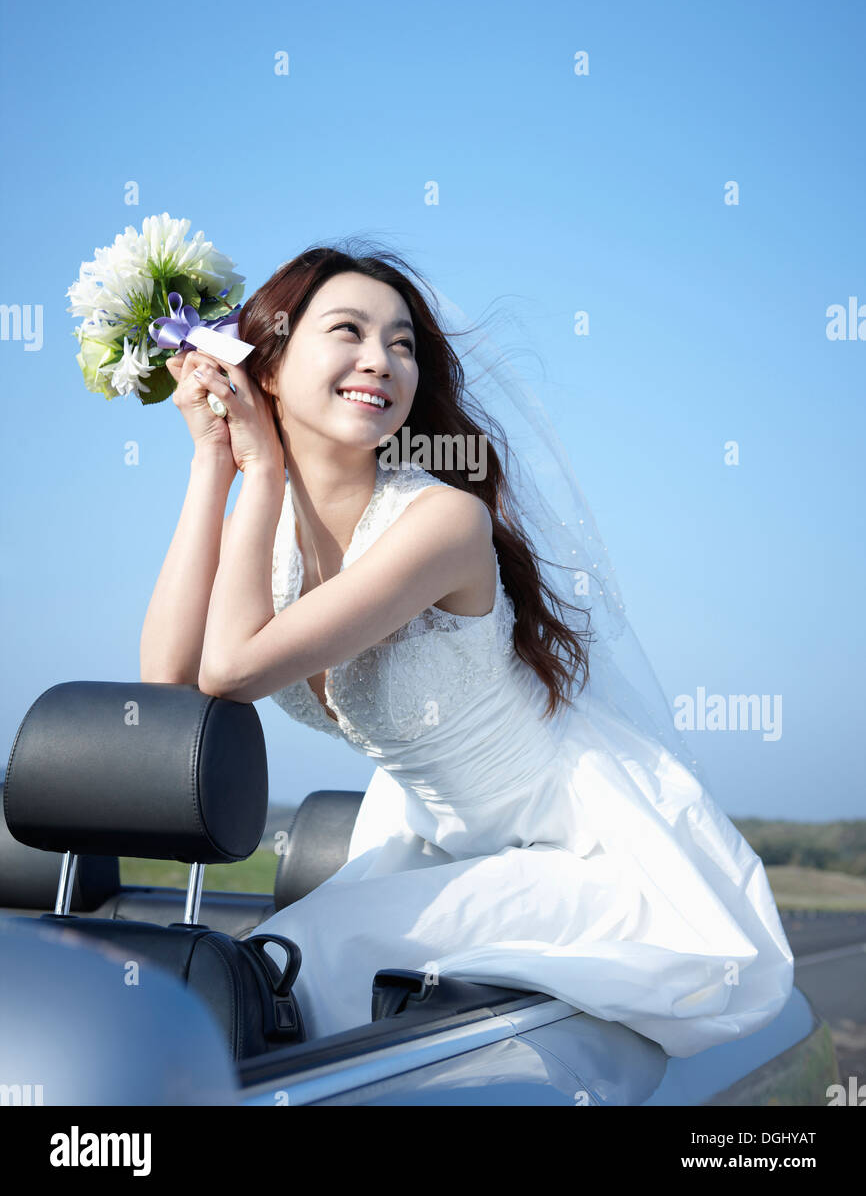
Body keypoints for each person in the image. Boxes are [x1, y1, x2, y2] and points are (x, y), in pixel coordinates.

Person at [140, 242, 794, 1057]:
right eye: (348, 331)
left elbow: (230, 670)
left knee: (305, 957)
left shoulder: (443, 523)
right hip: (433, 845)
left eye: (403, 344)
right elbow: (168, 681)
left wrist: (263, 465)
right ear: (264, 367)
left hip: (574, 853)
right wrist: (214, 460)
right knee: (283, 958)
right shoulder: (265, 539)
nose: (380, 361)